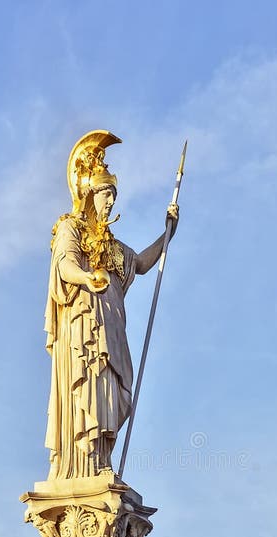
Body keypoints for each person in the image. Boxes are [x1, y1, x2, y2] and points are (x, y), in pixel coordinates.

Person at [44, 131, 178, 480]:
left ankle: (101, 458)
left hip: (113, 327)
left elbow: (143, 264)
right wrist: (87, 278)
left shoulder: (115, 246)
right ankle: (84, 463)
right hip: (85, 328)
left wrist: (168, 234)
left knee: (114, 393)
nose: (110, 203)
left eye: (113, 196)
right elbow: (65, 265)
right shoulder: (71, 229)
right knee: (89, 384)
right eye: (105, 194)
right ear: (89, 194)